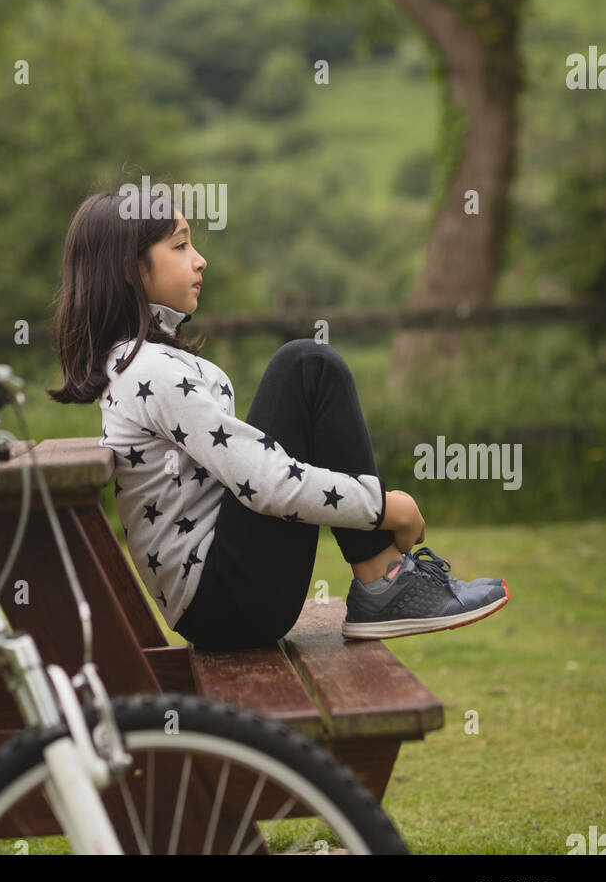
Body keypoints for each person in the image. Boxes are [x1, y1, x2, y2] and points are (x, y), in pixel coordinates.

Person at [47, 187, 509, 651]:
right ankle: (383, 579)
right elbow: (263, 482)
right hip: (227, 601)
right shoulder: (149, 370)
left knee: (307, 367)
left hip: (221, 597)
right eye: (181, 244)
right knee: (307, 365)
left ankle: (382, 579)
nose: (200, 260)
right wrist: (385, 508)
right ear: (131, 269)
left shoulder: (140, 363)